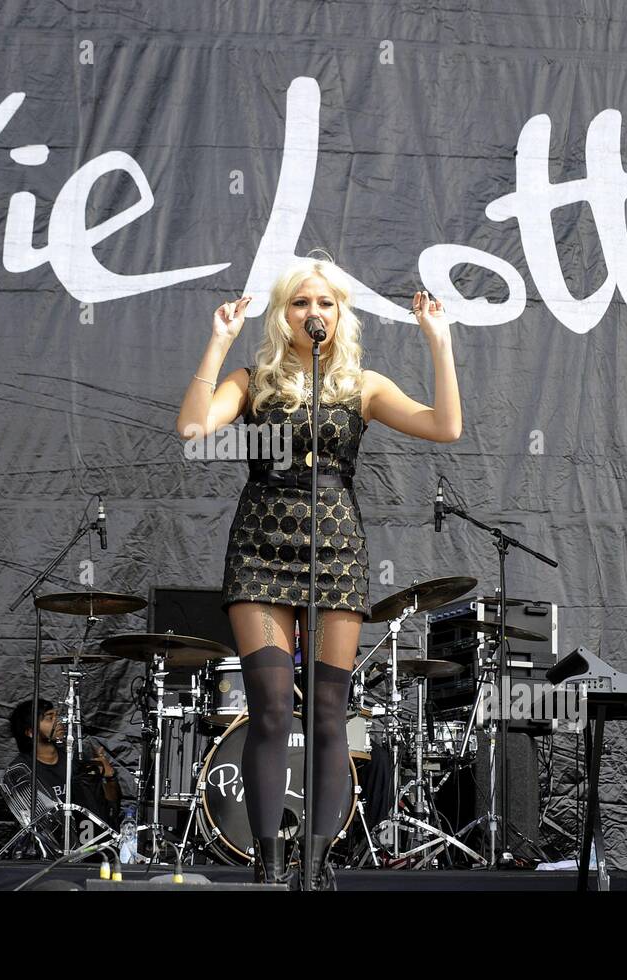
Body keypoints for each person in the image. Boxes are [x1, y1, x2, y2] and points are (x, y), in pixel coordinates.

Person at [176, 255, 462, 887]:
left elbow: (446, 426)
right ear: (285, 314)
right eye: (302, 302)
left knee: (330, 712)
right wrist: (217, 341)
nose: (314, 312)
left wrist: (438, 342)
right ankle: (267, 864)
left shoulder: (362, 385)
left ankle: (316, 860)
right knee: (273, 709)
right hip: (259, 550)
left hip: (336, 550)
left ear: (340, 314)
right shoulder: (254, 381)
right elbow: (195, 429)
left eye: (326, 303)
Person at [6, 698, 121, 852]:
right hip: (46, 856)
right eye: (49, 718)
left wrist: (109, 777)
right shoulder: (20, 771)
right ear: (30, 732)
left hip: (87, 852)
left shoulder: (72, 760)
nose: (58, 722)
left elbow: (110, 805)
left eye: (57, 716)